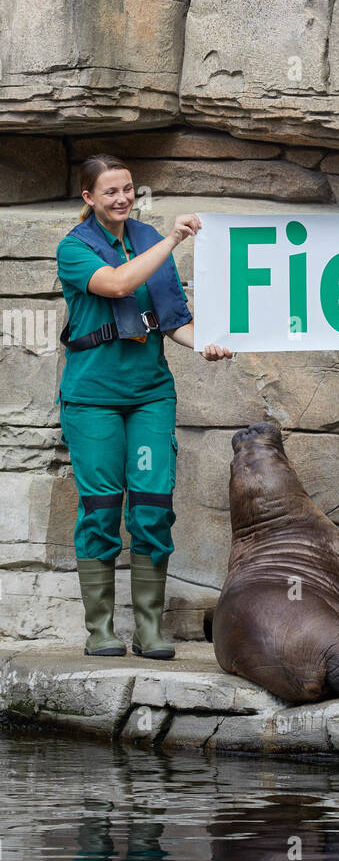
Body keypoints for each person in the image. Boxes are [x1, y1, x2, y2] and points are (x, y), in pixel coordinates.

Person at [56, 154, 232, 661]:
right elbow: (118, 285)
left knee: (153, 505)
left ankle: (151, 628)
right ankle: (100, 628)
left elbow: (174, 320)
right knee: (102, 507)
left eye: (128, 189)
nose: (122, 199)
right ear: (89, 198)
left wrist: (205, 344)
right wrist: (173, 240)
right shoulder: (74, 248)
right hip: (92, 399)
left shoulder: (150, 240)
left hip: (150, 394)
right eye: (110, 191)